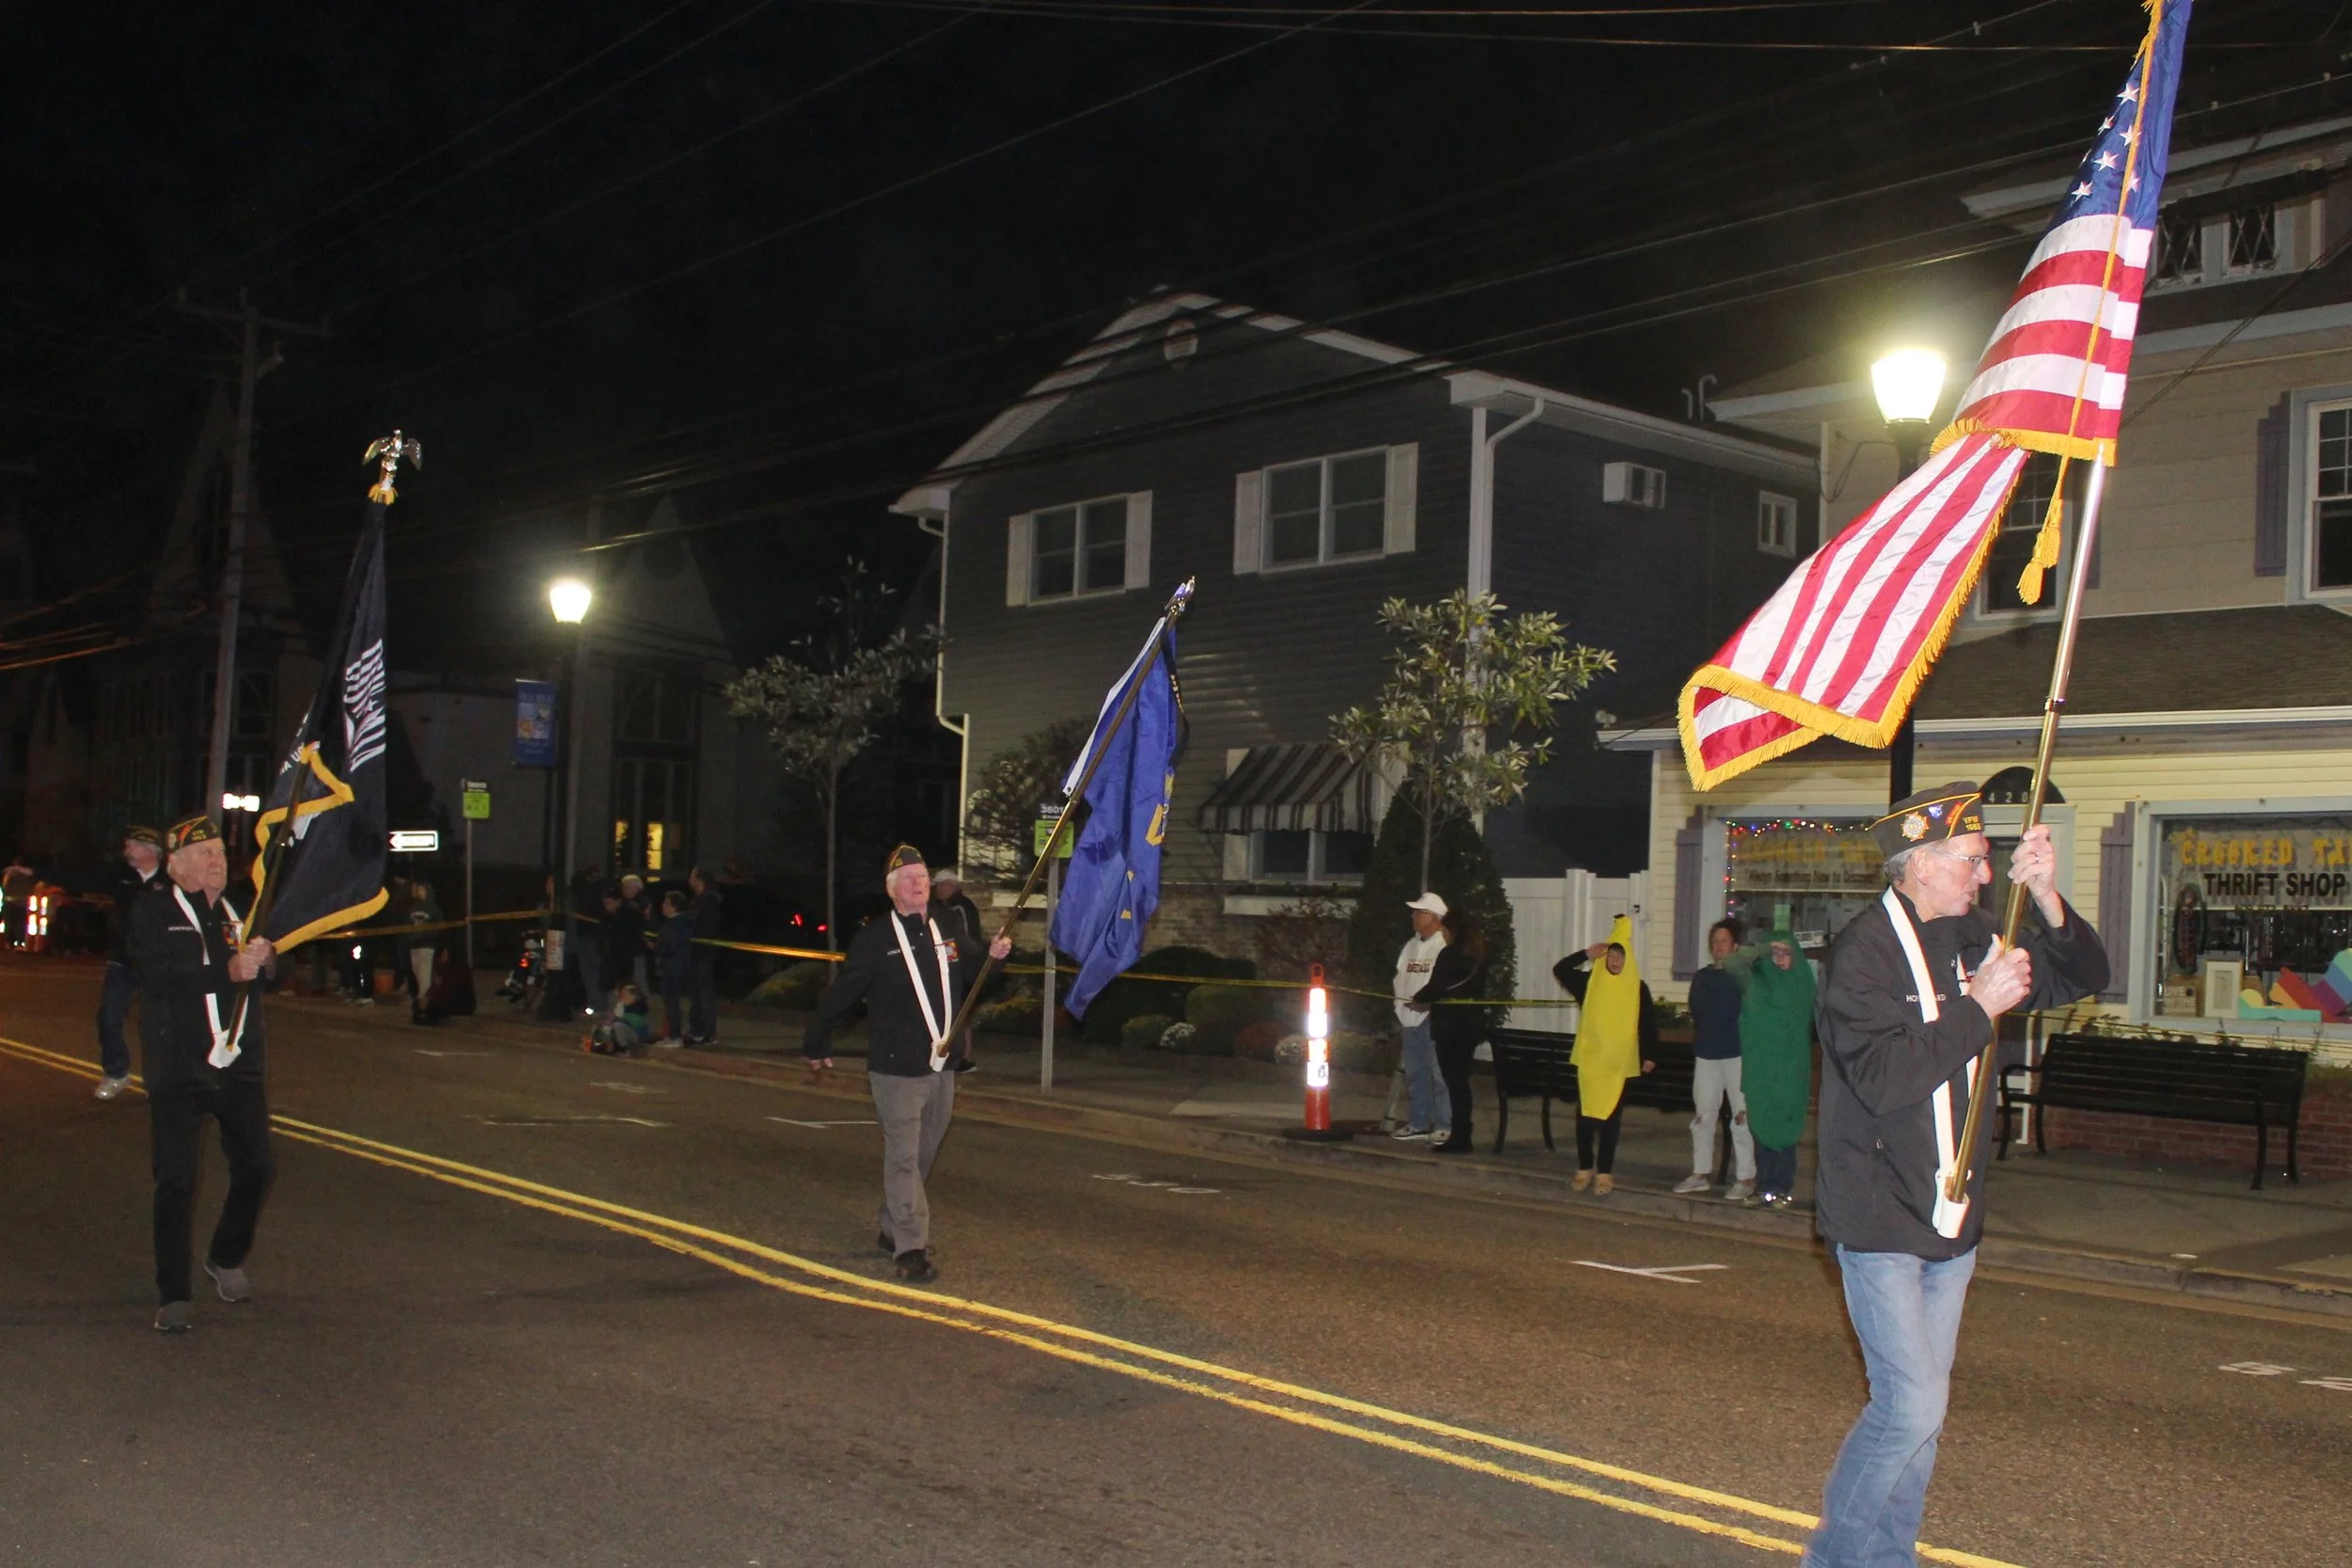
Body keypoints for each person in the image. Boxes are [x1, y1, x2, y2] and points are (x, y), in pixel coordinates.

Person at [1804, 783, 2106, 1568]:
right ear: (1921, 864)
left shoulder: (1977, 933)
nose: (1985, 875)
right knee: (1908, 1408)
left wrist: (2044, 896)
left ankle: (1885, 1558)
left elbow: (2084, 974)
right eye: (1974, 861)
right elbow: (1881, 1077)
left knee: (1922, 1416)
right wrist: (1977, 1008)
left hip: (1951, 1211)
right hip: (1878, 1212)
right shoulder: (1860, 954)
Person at [804, 845, 1011, 1284]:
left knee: (923, 1154)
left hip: (941, 1065)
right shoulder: (876, 939)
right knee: (902, 1156)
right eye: (910, 878)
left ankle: (891, 1225)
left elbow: (974, 972)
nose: (920, 883)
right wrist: (817, 1036)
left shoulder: (949, 925)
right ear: (893, 890)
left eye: (923, 876)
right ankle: (910, 1248)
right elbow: (845, 993)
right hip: (896, 1068)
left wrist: (994, 958)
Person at [132, 814, 277, 1334]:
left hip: (238, 1064)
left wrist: (266, 955)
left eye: (219, 852)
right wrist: (228, 969)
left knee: (258, 1165)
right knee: (176, 1179)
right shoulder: (153, 912)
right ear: (177, 866)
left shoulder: (240, 911)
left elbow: (265, 972)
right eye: (205, 854)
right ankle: (173, 1292)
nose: (217, 861)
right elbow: (161, 976)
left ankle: (225, 1255)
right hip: (180, 1066)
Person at [1553, 917, 1657, 1196]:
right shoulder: (1590, 983)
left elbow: (1646, 1023)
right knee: (1585, 1117)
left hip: (1618, 1064)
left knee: (1611, 1118)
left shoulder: (1637, 987)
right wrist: (1586, 954)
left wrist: (1649, 1054)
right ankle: (1585, 1166)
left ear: (1628, 959)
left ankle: (1605, 1171)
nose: (1615, 961)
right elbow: (1561, 969)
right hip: (1591, 1062)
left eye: (1620, 957)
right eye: (1611, 955)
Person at [1678, 917, 1757, 1198]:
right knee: (1703, 1116)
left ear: (1735, 946)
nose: (1718, 946)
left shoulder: (1743, 977)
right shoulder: (1703, 976)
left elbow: (1738, 1010)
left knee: (1741, 1116)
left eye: (1723, 941)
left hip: (1736, 1055)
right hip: (1707, 1055)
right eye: (1714, 942)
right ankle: (1700, 1172)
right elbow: (1699, 1010)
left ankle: (1746, 1177)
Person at [1741, 929, 1816, 1210]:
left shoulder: (1802, 984)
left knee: (1785, 1128)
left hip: (1791, 1071)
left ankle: (1783, 1187)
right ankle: (1765, 1187)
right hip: (1761, 1069)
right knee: (1762, 1126)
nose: (1780, 958)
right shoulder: (1757, 982)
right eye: (1776, 953)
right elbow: (1734, 962)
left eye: (1786, 952)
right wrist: (1762, 947)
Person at [94, 825, 168, 1101]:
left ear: (150, 850)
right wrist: (34, 871)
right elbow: (80, 876)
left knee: (157, 1024)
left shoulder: (171, 880)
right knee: (109, 1017)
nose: (126, 852)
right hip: (123, 960)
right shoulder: (121, 877)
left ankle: (160, 1080)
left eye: (131, 846)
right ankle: (116, 1072)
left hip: (158, 963)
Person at [1412, 904, 1486, 1157]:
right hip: (1469, 1026)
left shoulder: (1450, 954)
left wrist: (1418, 998)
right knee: (1461, 1082)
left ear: (1451, 929)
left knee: (1453, 1082)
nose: (1442, 933)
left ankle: (1460, 1137)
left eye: (1444, 928)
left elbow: (1437, 986)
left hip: (1449, 1026)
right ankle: (1463, 1132)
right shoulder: (1478, 955)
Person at [1390, 893, 1451, 1143]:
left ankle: (1445, 1124)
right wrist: (1400, 1006)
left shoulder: (1443, 946)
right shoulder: (1411, 946)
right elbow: (1400, 977)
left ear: (1434, 917)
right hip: (1409, 1017)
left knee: (1439, 1073)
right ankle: (1419, 1122)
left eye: (1419, 912)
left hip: (1432, 1018)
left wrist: (1427, 1005)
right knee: (1415, 1072)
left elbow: (1443, 983)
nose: (1413, 917)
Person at [685, 865, 723, 1046]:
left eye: (692, 876)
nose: (689, 879)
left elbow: (704, 927)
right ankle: (697, 1029)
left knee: (704, 992)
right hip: (695, 951)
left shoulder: (709, 901)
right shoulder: (698, 900)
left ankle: (708, 1031)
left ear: (700, 880)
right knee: (696, 993)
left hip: (703, 952)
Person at [654, 890, 693, 1048]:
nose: (663, 906)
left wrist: (658, 948)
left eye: (666, 903)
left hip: (673, 968)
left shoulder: (678, 924)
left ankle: (675, 1036)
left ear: (674, 907)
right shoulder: (676, 923)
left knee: (672, 1003)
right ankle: (671, 1035)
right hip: (671, 966)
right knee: (669, 1003)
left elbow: (672, 946)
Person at [403, 879, 443, 1022]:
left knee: (425, 976)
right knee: (417, 974)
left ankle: (424, 1007)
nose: (420, 892)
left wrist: (427, 936)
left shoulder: (433, 909)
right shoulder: (412, 908)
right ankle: (421, 1004)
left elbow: (438, 927)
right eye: (418, 890)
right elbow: (406, 924)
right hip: (414, 946)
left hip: (427, 946)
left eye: (422, 889)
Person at [416, 938, 476, 1025]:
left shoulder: (459, 970)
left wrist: (430, 999)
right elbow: (435, 986)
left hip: (460, 1004)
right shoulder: (443, 968)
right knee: (418, 1004)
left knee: (431, 1007)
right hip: (447, 999)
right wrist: (427, 997)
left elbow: (445, 988)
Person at [929, 868, 983, 957]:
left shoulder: (960, 906)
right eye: (937, 885)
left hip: (965, 957)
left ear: (953, 886)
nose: (939, 889)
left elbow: (967, 934)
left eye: (943, 885)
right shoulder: (941, 906)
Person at [617, 874, 652, 997]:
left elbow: (639, 925)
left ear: (634, 888)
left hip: (636, 948)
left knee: (638, 979)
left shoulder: (637, 904)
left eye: (626, 888)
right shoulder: (632, 903)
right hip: (632, 948)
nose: (623, 891)